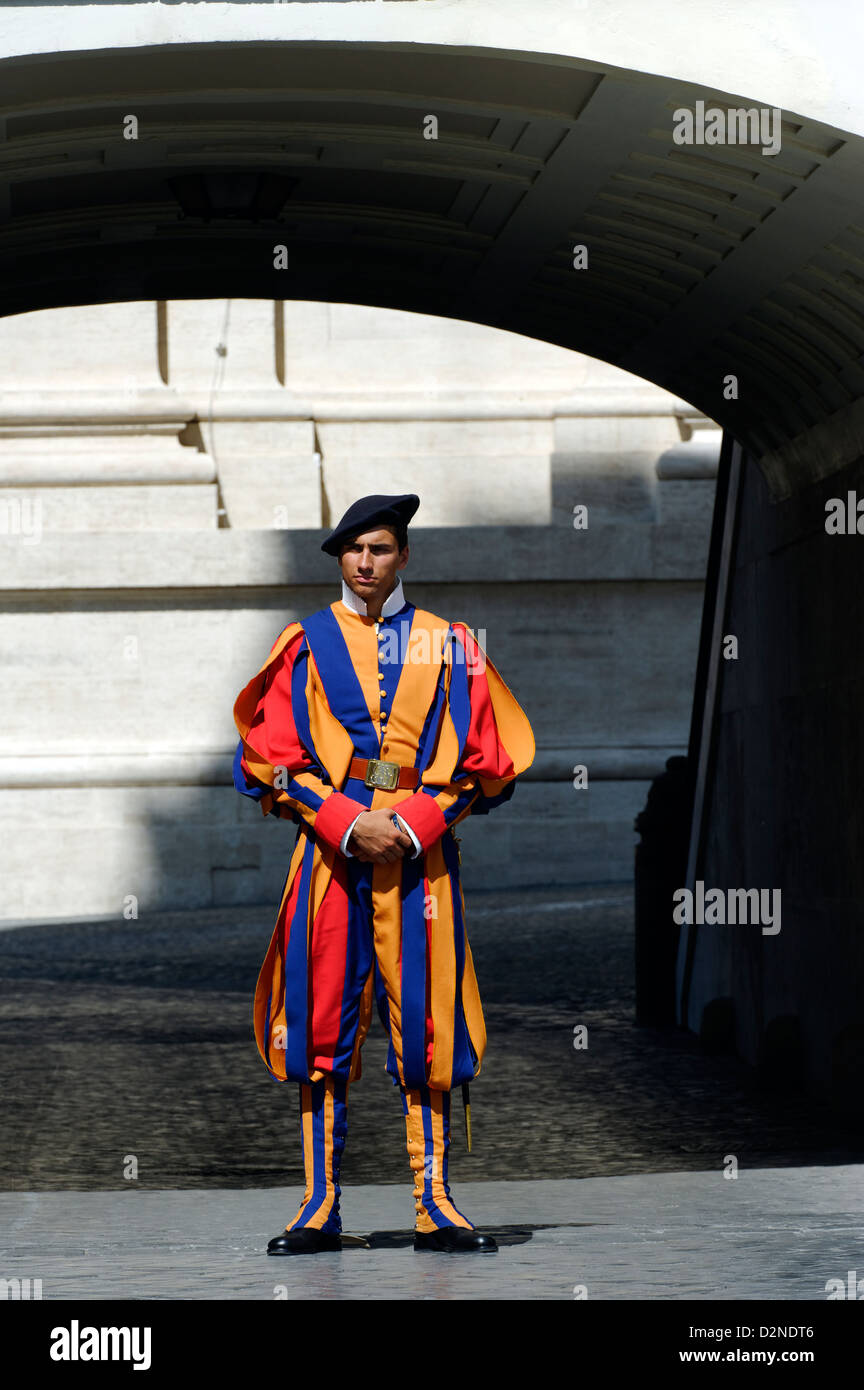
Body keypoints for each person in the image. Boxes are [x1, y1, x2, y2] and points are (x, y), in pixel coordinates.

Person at [232, 492, 535, 1254]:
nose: (366, 563)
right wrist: (346, 821)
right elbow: (273, 762)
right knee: (318, 1019)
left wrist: (407, 824)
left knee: (429, 1024)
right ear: (339, 557)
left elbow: (480, 765)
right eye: (355, 550)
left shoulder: (447, 642)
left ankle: (434, 1205)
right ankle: (318, 1206)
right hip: (331, 859)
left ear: (404, 556)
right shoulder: (304, 644)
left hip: (420, 858)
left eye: (381, 549)